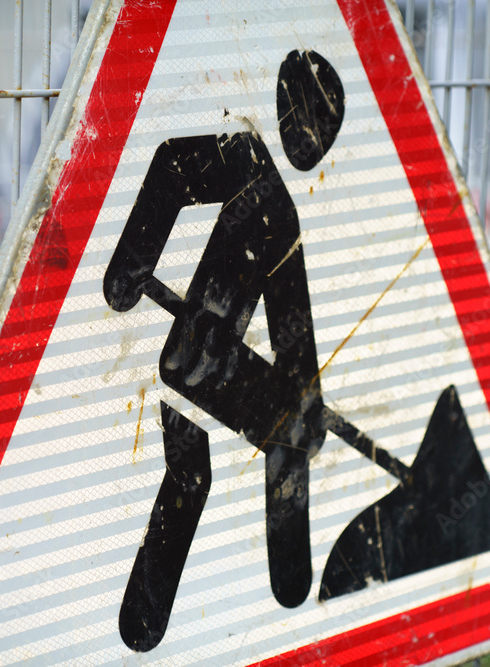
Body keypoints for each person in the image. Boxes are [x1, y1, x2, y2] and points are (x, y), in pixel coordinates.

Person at [105, 50, 346, 652]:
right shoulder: (245, 157)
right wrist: (129, 270)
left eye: (323, 132)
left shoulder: (285, 217)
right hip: (186, 352)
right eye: (310, 122)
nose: (312, 145)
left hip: (218, 370)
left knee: (215, 463)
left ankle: (286, 561)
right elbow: (170, 170)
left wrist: (304, 406)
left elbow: (295, 328)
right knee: (189, 470)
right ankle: (142, 621)